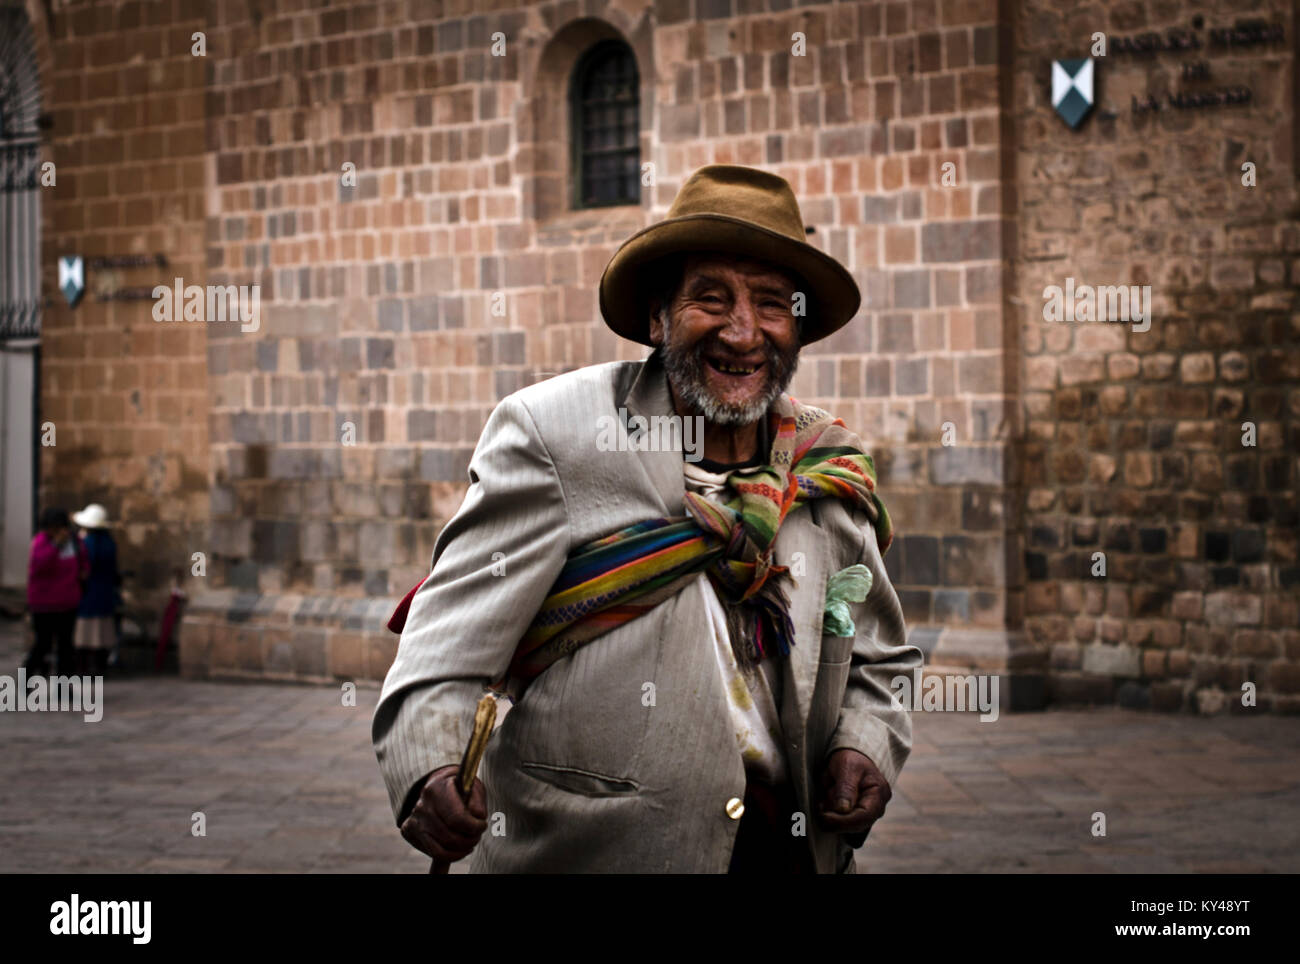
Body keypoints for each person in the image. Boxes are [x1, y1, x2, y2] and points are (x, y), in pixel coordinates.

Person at [374, 165, 922, 873]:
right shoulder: (557, 434)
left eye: (771, 304)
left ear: (799, 328)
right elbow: (444, 649)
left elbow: (879, 657)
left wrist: (863, 744)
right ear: (659, 315)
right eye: (711, 298)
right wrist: (429, 766)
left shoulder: (826, 467)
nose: (743, 332)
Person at [24, 507, 86, 676]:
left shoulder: (74, 543)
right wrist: (56, 546)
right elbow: (39, 567)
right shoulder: (41, 543)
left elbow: (83, 563)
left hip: (67, 604)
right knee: (42, 646)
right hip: (43, 605)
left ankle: (63, 690)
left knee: (66, 648)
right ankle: (25, 684)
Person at [71, 504, 119, 676]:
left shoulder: (87, 543)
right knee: (102, 635)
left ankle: (83, 668)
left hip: (88, 594)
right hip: (105, 595)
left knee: (84, 636)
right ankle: (99, 668)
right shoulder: (109, 543)